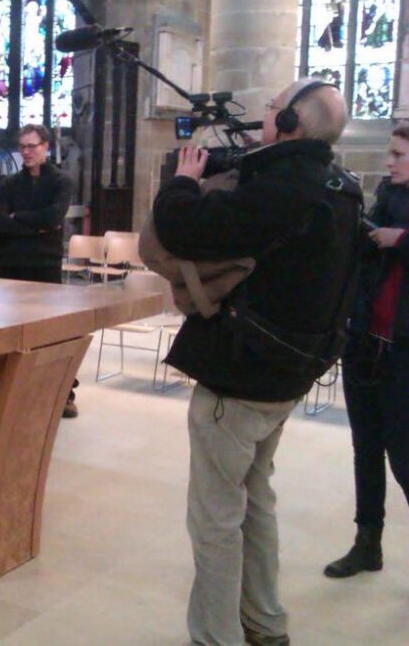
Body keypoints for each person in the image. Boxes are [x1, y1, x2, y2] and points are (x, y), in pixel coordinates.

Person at [152, 78, 360, 646]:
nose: (265, 115)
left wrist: (182, 183)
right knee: (256, 498)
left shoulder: (285, 187)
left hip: (242, 374)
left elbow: (185, 229)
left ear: (290, 123)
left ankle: (215, 636)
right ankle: (266, 623)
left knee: (216, 517)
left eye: (271, 108)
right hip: (289, 372)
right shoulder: (341, 185)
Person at [324, 124, 409, 580]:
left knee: (404, 457)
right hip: (365, 344)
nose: (388, 162)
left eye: (397, 154)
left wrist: (402, 240)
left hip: (403, 354)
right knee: (366, 449)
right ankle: (367, 543)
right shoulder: (386, 198)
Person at [0, 123, 78, 418]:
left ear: (46, 147)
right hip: (13, 263)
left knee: (51, 330)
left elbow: (54, 217)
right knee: (12, 329)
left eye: (32, 146)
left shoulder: (61, 181)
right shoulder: (9, 184)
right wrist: (36, 226)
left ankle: (64, 393)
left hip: (44, 263)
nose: (26, 152)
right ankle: (12, 390)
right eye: (22, 147)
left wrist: (17, 217)